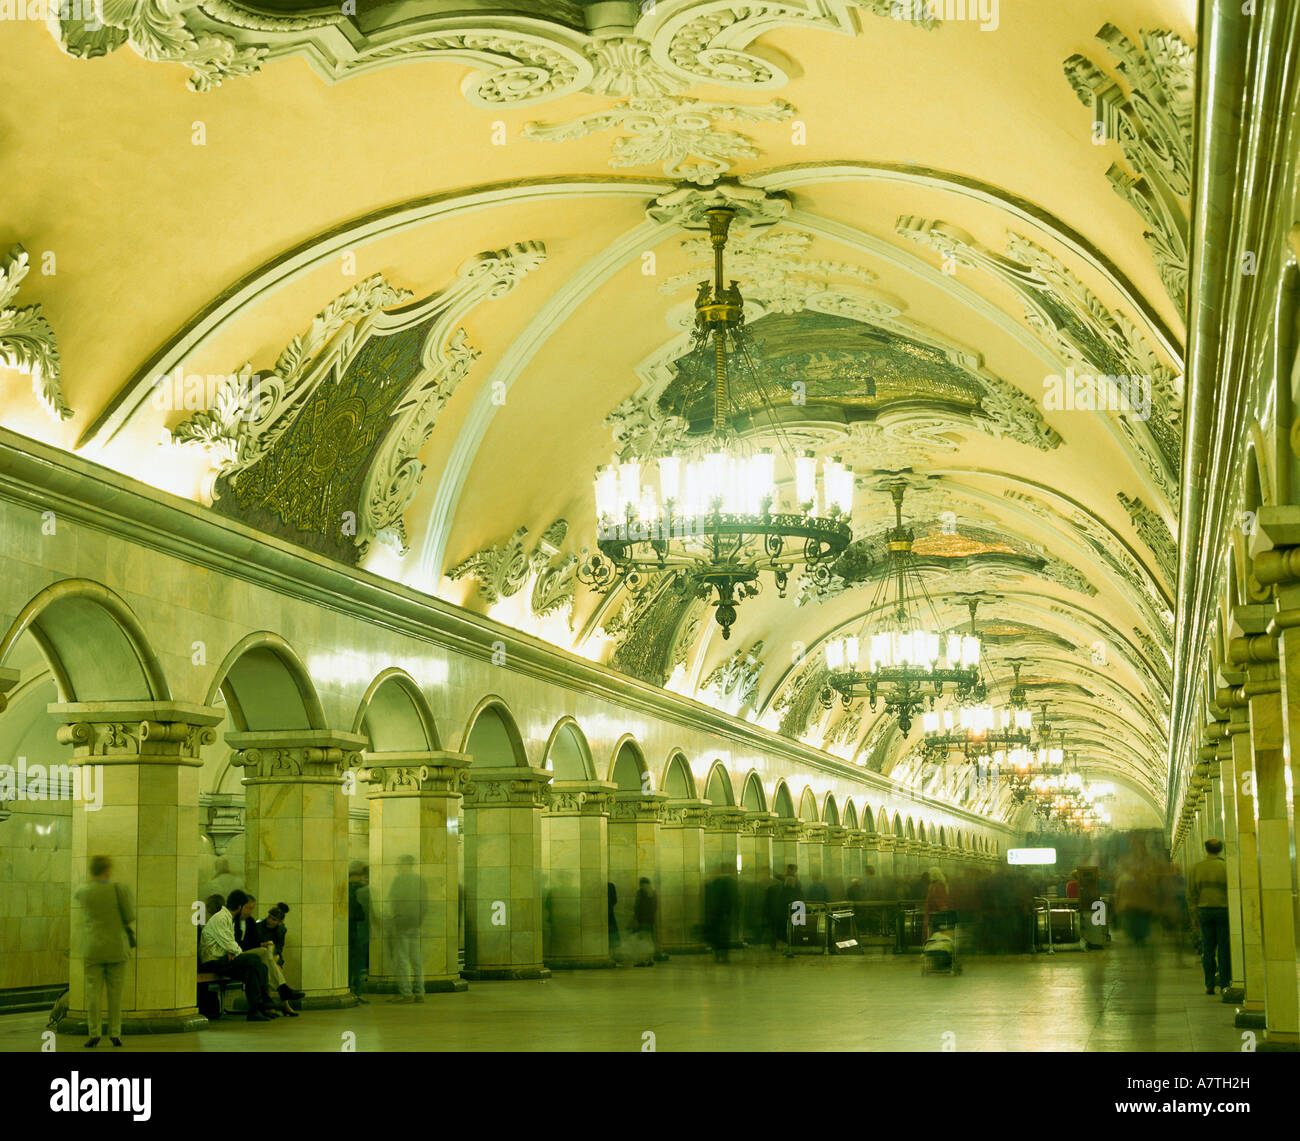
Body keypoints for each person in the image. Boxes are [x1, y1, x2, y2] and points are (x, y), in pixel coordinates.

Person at [75, 856, 133, 1048]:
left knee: (93, 994)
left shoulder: (83, 891)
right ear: (107, 869)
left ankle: (94, 1033)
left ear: (92, 870)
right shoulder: (120, 889)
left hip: (93, 948)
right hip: (116, 947)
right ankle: (115, 1034)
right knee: (115, 994)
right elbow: (130, 915)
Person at [198, 888, 279, 1022]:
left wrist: (232, 952)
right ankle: (265, 1001)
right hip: (212, 962)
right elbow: (230, 943)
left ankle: (256, 1010)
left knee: (254, 970)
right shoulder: (221, 918)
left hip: (221, 959)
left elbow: (228, 943)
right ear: (240, 907)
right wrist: (236, 953)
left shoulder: (227, 918)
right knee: (254, 958)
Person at [234, 895, 303, 1014]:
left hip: (270, 956)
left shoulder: (278, 929)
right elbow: (248, 944)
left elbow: (278, 948)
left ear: (280, 922)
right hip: (247, 954)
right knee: (268, 961)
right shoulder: (256, 924)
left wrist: (270, 950)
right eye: (248, 908)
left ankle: (279, 1001)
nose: (270, 921)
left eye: (252, 908)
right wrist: (262, 944)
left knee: (272, 965)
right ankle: (281, 992)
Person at [1188, 838, 1231, 994]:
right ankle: (1225, 983)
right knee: (1224, 949)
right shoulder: (1226, 867)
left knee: (1208, 948)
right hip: (1223, 911)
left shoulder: (1196, 868)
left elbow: (1191, 894)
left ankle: (1209, 984)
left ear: (1206, 849)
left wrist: (1194, 915)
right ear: (1220, 850)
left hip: (1204, 912)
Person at [388, 854, 427, 1002]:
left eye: (398, 864)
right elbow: (425, 904)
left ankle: (406, 993)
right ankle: (420, 992)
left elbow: (394, 900)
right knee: (417, 959)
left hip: (402, 924)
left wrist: (395, 918)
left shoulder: (400, 879)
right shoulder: (419, 880)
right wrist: (419, 921)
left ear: (405, 864)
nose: (397, 867)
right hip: (415, 923)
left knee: (402, 959)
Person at [704, 863, 739, 961]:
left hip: (715, 913)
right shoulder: (731, 882)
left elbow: (710, 899)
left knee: (717, 933)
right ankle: (724, 954)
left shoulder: (713, 882)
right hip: (725, 913)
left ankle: (718, 953)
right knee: (725, 934)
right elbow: (734, 899)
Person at [348, 862, 370, 1002]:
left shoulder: (343, 888)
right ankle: (358, 992)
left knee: (348, 963)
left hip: (346, 930)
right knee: (358, 963)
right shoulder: (364, 890)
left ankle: (348, 989)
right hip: (360, 930)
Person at [632, 877, 657, 966]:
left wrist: (635, 919)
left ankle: (643, 960)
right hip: (650, 920)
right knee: (649, 940)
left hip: (642, 920)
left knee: (642, 941)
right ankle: (650, 959)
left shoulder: (640, 893)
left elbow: (637, 907)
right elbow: (655, 908)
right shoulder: (653, 893)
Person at [923, 867, 950, 941]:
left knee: (934, 936)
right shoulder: (939, 885)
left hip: (934, 915)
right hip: (935, 914)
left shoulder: (936, 886)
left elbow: (939, 901)